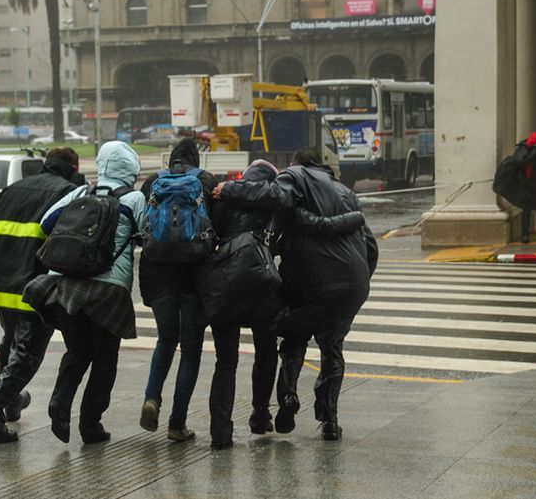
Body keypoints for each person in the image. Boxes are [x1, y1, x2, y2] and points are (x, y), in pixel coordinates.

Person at [212, 148, 379, 441]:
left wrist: (230, 188)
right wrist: (358, 279)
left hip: (309, 278)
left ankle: (288, 397)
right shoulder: (346, 193)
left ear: (295, 163)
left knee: (294, 339)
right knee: (332, 348)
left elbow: (273, 197)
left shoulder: (295, 177)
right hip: (353, 284)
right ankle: (329, 421)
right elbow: (371, 248)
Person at [22, 141, 147, 444]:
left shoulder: (81, 192)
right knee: (105, 359)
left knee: (77, 352)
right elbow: (147, 234)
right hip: (108, 291)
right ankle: (90, 424)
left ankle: (59, 403)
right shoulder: (134, 198)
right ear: (130, 168)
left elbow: (46, 222)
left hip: (66, 286)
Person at [0, 147, 80, 443]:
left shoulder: (13, 188)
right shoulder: (67, 192)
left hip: (1, 281)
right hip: (33, 284)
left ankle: (11, 401)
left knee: (11, 342)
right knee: (28, 354)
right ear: (73, 165)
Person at [138, 138, 217, 442]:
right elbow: (216, 225)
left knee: (166, 339)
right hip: (194, 276)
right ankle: (177, 424)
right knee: (191, 349)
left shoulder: (153, 182)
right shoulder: (205, 181)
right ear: (195, 159)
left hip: (158, 274)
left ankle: (151, 398)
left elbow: (144, 224)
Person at [205, 159, 283, 449]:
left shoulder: (222, 198)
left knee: (225, 360)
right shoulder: (270, 201)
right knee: (266, 350)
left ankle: (220, 431)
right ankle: (260, 414)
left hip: (225, 282)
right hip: (258, 284)